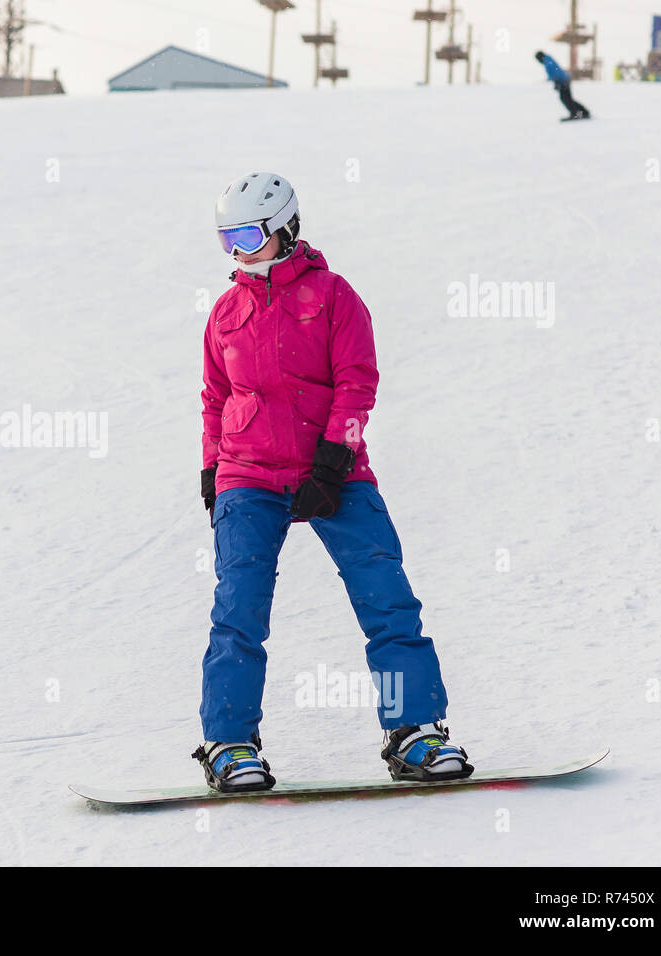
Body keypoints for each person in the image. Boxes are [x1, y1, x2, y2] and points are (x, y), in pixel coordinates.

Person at [191, 173, 472, 793]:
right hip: (249, 473)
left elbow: (357, 381)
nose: (236, 252)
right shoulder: (226, 312)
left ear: (286, 229)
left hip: (332, 468)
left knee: (386, 594)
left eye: (247, 236)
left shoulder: (334, 295)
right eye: (225, 239)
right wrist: (212, 467)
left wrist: (332, 461)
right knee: (238, 607)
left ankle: (415, 732)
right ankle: (229, 743)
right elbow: (215, 397)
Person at [535, 50, 590, 119]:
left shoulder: (547, 61)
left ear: (540, 57)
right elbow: (553, 72)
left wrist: (557, 81)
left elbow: (555, 72)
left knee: (565, 99)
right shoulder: (548, 60)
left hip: (563, 81)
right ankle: (584, 112)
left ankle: (576, 114)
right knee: (567, 99)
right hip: (564, 80)